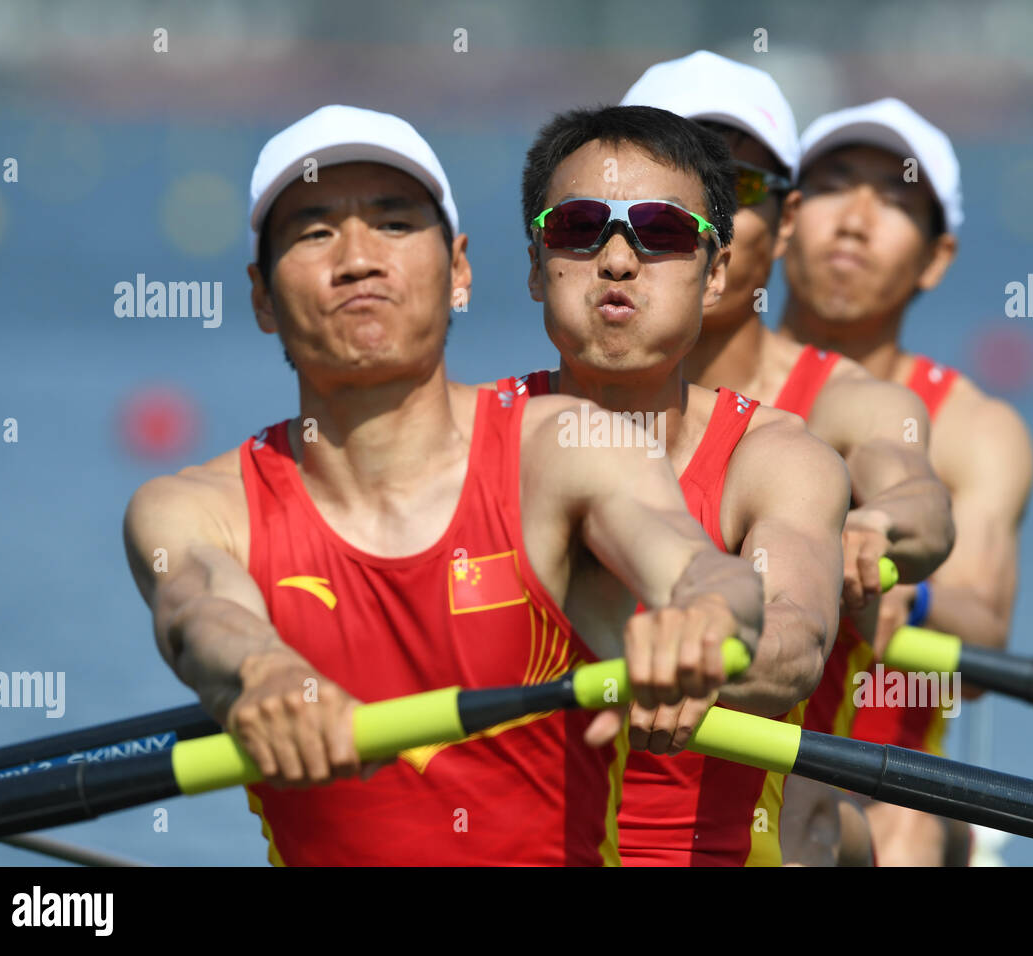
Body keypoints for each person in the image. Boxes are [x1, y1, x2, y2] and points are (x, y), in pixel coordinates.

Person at [121, 104, 765, 866]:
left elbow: (697, 564)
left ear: (459, 270)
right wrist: (263, 672)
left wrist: (703, 613)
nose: (358, 258)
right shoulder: (193, 508)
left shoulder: (564, 451)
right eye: (315, 230)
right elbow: (198, 610)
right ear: (262, 295)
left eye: (394, 224)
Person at [622, 52, 956, 865]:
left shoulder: (845, 407)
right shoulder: (528, 417)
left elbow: (917, 495)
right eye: (667, 185)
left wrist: (878, 524)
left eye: (731, 188)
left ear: (788, 217)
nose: (699, 217)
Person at [502, 101, 850, 866]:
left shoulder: (778, 459)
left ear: (717, 272)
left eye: (660, 232)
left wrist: (708, 649)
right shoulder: (469, 443)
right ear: (535, 265)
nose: (618, 261)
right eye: (577, 227)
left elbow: (796, 638)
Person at [780, 98, 1033, 866]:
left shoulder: (975, 427)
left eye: (895, 201)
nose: (856, 220)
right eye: (834, 186)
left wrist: (911, 591)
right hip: (722, 756)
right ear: (789, 216)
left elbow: (986, 629)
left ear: (936, 258)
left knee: (905, 825)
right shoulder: (712, 379)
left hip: (886, 791)